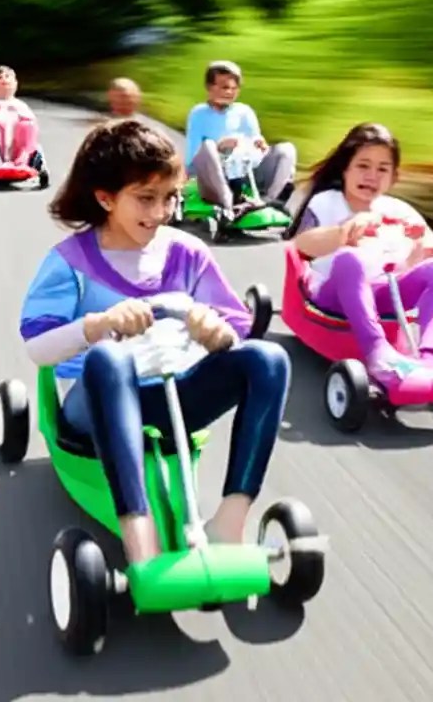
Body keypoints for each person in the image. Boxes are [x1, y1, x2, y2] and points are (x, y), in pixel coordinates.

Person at [19, 119, 291, 566]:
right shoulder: (71, 261)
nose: (161, 211)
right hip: (96, 401)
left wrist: (212, 331)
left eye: (170, 197)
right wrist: (97, 324)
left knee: (268, 358)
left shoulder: (186, 252)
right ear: (105, 198)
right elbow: (38, 349)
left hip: (173, 391)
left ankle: (228, 524)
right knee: (109, 360)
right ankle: (141, 543)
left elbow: (235, 325)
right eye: (146, 199)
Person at [284, 123, 433, 396]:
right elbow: (301, 246)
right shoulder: (327, 202)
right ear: (345, 169)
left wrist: (420, 246)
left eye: (382, 169)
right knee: (349, 260)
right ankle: (377, 353)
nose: (372, 177)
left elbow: (416, 262)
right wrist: (343, 232)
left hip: (381, 295)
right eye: (363, 166)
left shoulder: (399, 210)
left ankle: (429, 356)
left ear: (393, 177)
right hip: (332, 295)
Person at [184, 60, 297, 217]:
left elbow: (255, 142)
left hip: (245, 172)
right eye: (225, 87)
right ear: (210, 87)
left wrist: (259, 144)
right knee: (208, 146)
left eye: (234, 88)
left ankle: (268, 200)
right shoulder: (198, 114)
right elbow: (192, 159)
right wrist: (219, 147)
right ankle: (227, 204)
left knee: (287, 149)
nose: (229, 92)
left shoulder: (244, 112)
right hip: (213, 177)